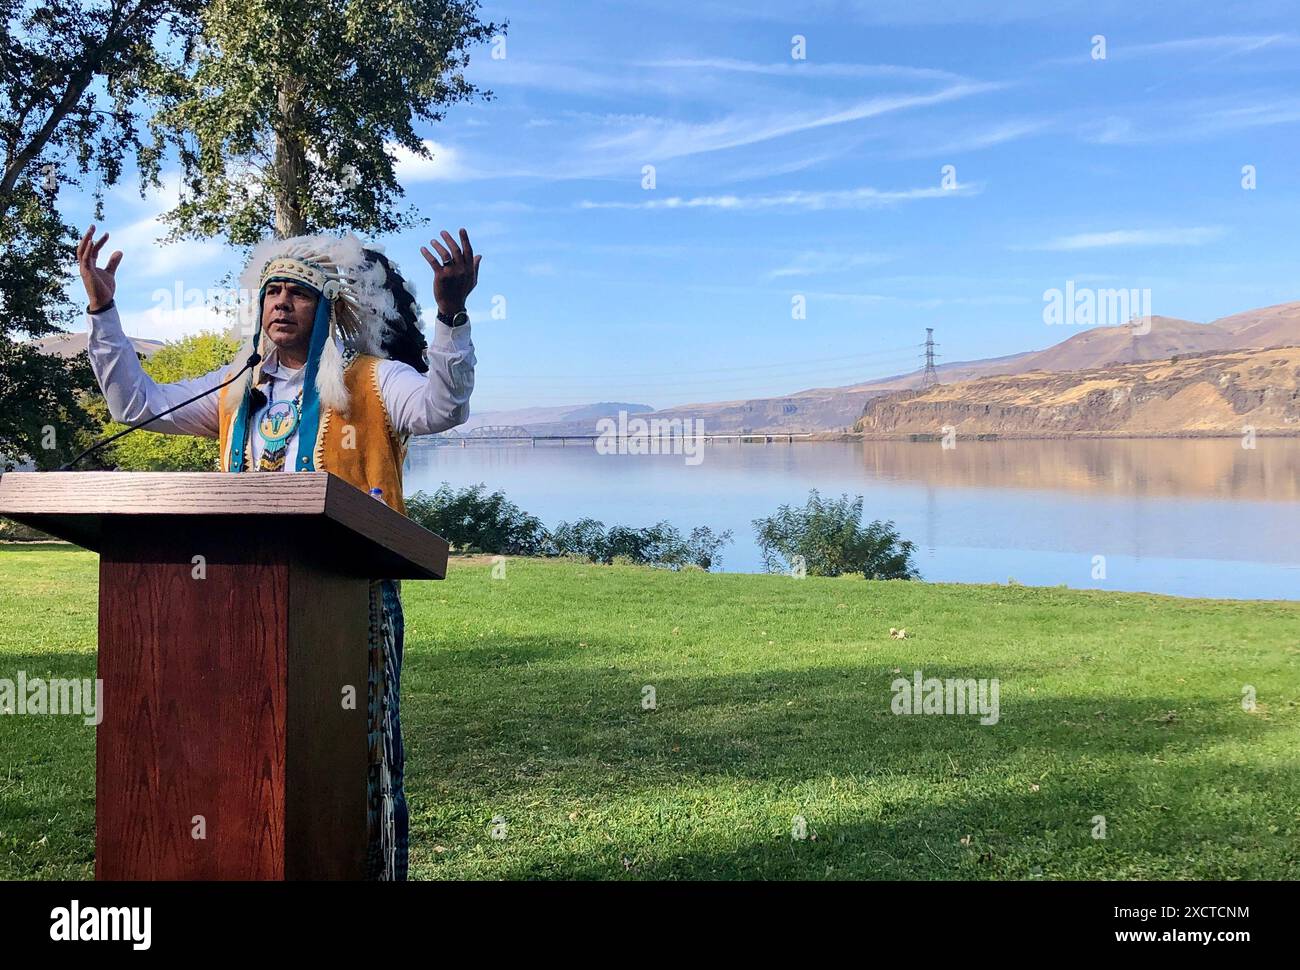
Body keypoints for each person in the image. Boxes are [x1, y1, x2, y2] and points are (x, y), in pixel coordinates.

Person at [77, 224, 480, 879]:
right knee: (248, 747)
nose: (281, 304)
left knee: (350, 751)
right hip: (240, 603)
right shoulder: (238, 390)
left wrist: (452, 315)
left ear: (328, 310)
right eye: (273, 292)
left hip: (349, 604)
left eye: (298, 293)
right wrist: (102, 309)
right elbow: (136, 403)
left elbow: (443, 406)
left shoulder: (373, 382)